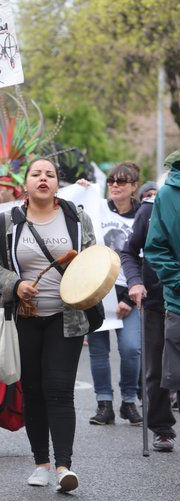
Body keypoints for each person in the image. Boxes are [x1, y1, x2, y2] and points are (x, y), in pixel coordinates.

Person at [0, 158, 96, 493]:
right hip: (22, 319)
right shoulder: (6, 222)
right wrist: (14, 284)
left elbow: (93, 260)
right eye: (36, 174)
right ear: (25, 184)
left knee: (59, 391)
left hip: (66, 318)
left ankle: (64, 467)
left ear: (58, 183)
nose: (43, 178)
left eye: (50, 175)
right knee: (32, 391)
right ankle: (41, 463)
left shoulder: (77, 219)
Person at [78, 162, 143, 426]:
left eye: (122, 181)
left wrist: (128, 297)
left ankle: (128, 401)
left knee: (131, 349)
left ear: (134, 187)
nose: (115, 185)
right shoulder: (97, 206)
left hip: (130, 292)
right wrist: (81, 191)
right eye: (112, 180)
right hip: (99, 290)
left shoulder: (144, 215)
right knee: (98, 351)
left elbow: (145, 257)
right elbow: (74, 208)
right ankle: (104, 403)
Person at [121, 156, 177, 451]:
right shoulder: (150, 209)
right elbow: (129, 251)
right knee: (155, 366)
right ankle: (162, 426)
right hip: (156, 298)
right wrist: (135, 281)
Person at [145, 150, 180, 424]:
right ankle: (162, 426)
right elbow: (152, 247)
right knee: (161, 370)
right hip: (172, 300)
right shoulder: (167, 196)